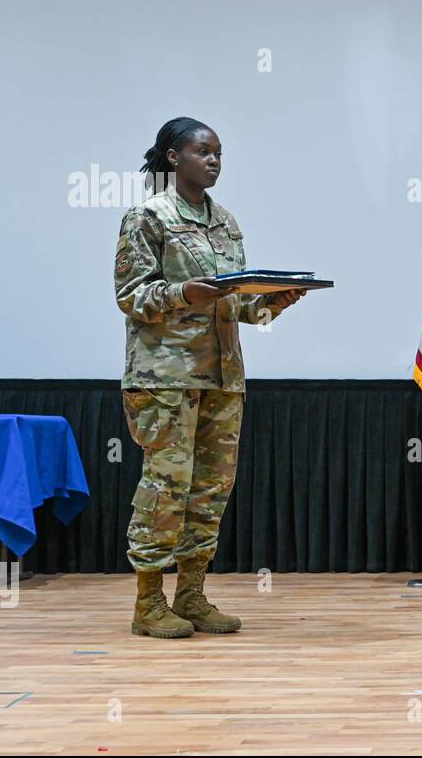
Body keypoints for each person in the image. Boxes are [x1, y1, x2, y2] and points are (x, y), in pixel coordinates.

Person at [114, 116, 305, 638]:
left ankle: (192, 596)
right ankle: (148, 603)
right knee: (166, 487)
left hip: (223, 376)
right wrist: (182, 294)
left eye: (220, 153)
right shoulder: (147, 217)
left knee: (210, 489)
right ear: (174, 158)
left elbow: (234, 306)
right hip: (166, 378)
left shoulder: (225, 222)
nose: (215, 160)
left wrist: (273, 303)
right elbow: (130, 296)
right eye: (204, 151)